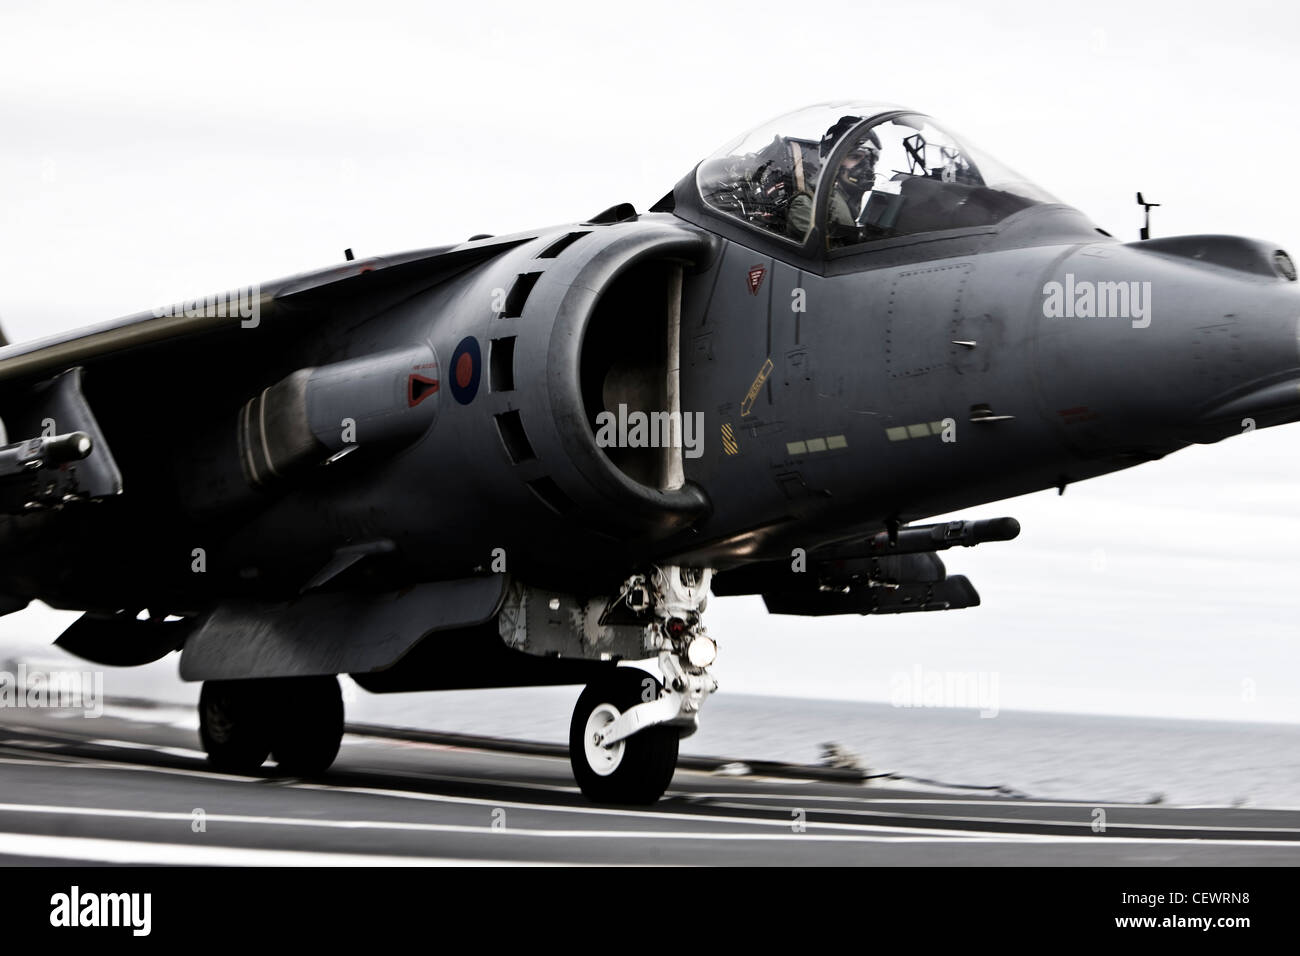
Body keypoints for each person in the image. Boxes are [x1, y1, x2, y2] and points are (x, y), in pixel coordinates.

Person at [786, 118, 881, 241]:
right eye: (855, 156)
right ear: (832, 162)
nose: (867, 167)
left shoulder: (861, 206)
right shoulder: (807, 205)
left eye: (871, 160)